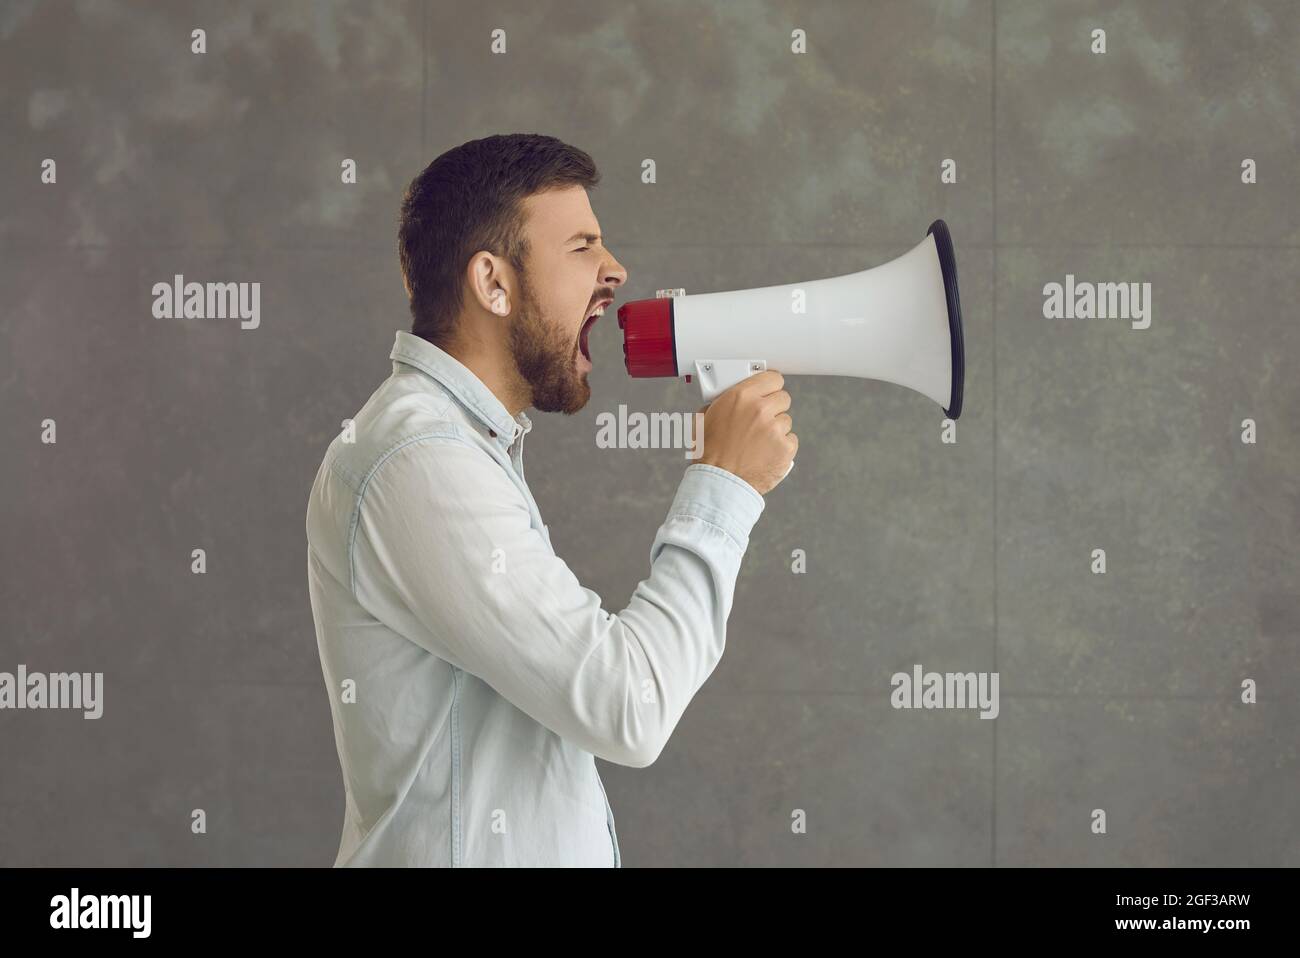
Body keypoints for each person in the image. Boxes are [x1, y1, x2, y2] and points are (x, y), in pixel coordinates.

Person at [305, 133, 797, 867]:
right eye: (581, 248)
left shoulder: (461, 446)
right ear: (492, 283)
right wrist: (723, 486)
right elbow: (628, 705)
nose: (616, 271)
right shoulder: (421, 462)